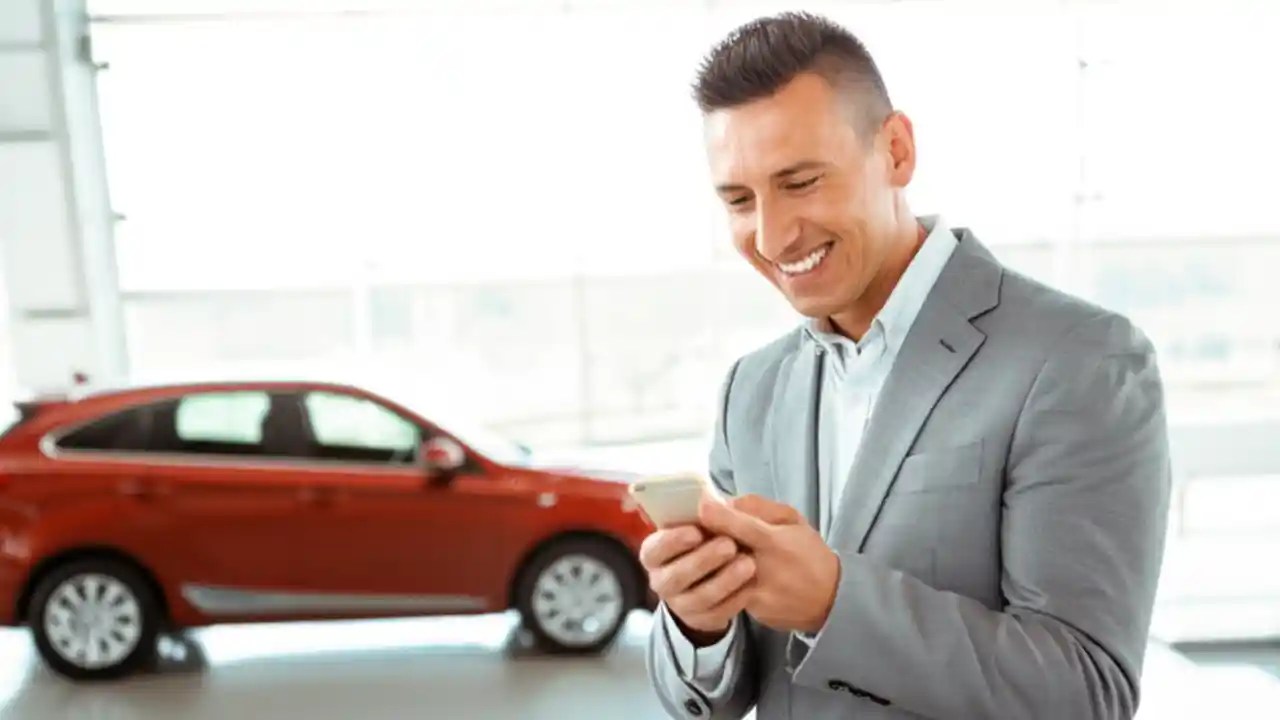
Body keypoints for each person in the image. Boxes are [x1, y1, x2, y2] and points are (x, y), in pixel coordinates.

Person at [641, 11, 1171, 720]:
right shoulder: (752, 390)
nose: (771, 236)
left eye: (801, 182)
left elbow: (1085, 692)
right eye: (739, 200)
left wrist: (833, 601)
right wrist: (697, 622)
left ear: (896, 151)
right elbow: (715, 698)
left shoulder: (1078, 360)